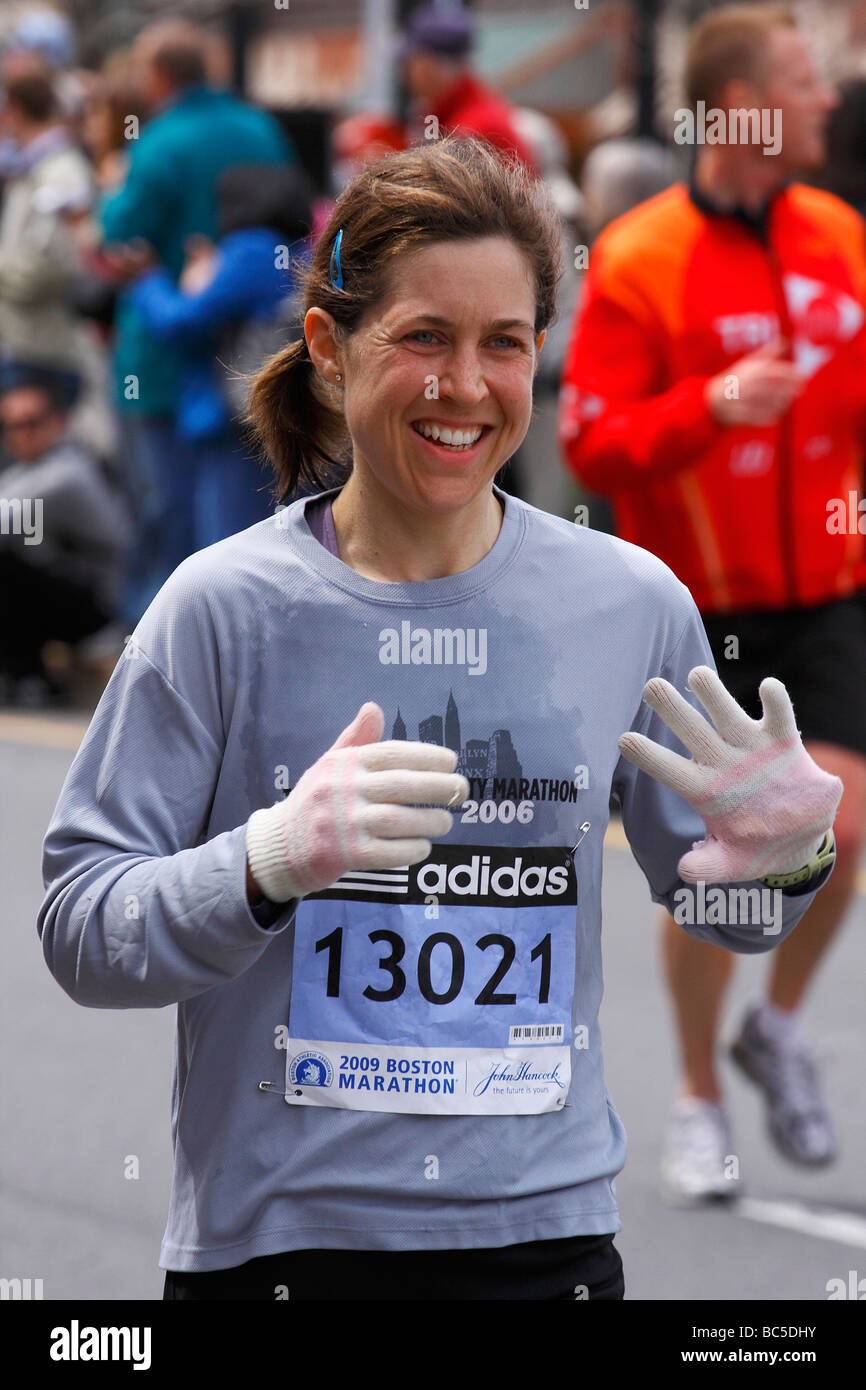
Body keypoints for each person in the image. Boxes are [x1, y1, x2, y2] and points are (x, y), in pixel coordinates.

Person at [38, 137, 840, 1302]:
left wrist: (787, 859)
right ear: (326, 348)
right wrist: (268, 863)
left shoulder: (627, 602)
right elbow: (79, 927)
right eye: (422, 337)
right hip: (281, 1253)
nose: (464, 386)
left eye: (502, 344)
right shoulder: (219, 608)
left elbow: (725, 912)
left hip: (547, 1248)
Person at [558, 3, 866, 1202]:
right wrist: (708, 405)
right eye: (805, 80)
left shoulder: (839, 234)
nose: (829, 101)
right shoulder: (638, 257)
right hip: (701, 617)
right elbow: (587, 442)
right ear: (738, 105)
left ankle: (776, 1027)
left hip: (829, 592)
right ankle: (694, 1092)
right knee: (721, 872)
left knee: (837, 828)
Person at [98, 19, 293, 625]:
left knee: (172, 517)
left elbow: (119, 234)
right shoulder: (259, 126)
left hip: (169, 369)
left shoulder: (157, 141)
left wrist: (115, 206)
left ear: (157, 76)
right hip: (252, 378)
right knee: (246, 532)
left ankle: (160, 649)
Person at [126, 161, 313, 545]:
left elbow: (181, 321)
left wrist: (146, 280)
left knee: (228, 549)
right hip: (275, 418)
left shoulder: (252, 249)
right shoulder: (295, 249)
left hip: (235, 428)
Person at [0, 375, 131, 706]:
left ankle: (27, 673)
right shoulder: (23, 471)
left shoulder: (68, 475)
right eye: (11, 426)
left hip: (100, 608)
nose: (21, 434)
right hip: (65, 593)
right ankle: (19, 670)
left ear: (57, 421)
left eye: (30, 422)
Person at [0, 57, 92, 410]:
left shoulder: (60, 171)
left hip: (46, 349)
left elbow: (48, 265)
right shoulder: (31, 167)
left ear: (15, 110)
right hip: (28, 342)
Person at [398, 4, 536, 170]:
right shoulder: (451, 113)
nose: (405, 72)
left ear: (427, 67)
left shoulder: (475, 127)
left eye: (409, 62)